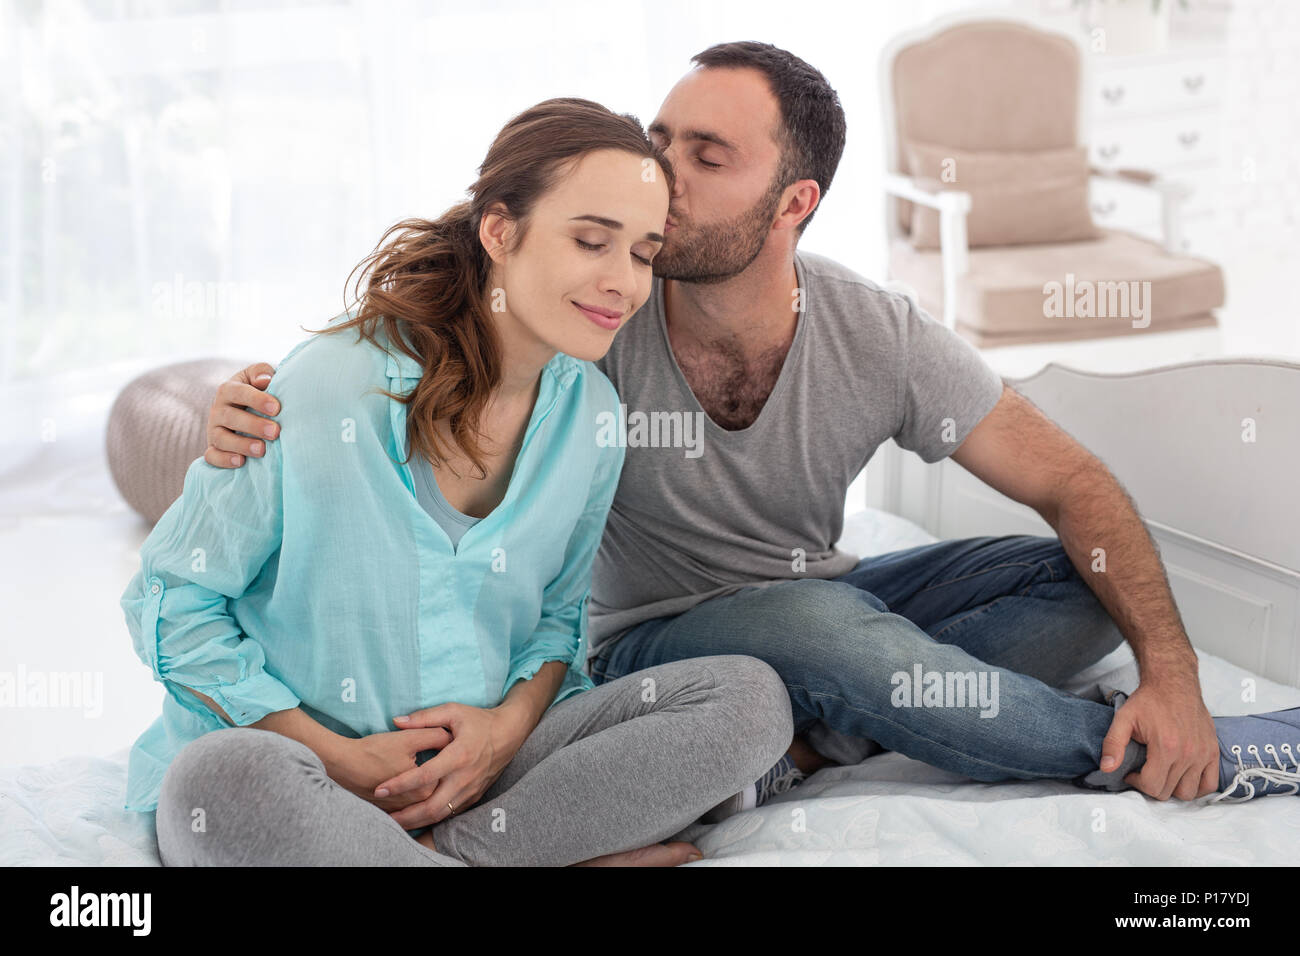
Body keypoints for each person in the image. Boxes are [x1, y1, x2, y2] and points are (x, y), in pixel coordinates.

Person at [203, 44, 1299, 809]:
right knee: (823, 632)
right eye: (659, 139)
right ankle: (1140, 757)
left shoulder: (877, 332)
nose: (658, 176)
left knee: (1073, 576)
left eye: (705, 156)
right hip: (647, 645)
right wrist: (247, 407)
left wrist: (1174, 674)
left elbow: (1076, 483)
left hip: (824, 602)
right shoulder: (593, 307)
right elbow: (434, 322)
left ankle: (820, 732)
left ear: (794, 203)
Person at [120, 96, 794, 868]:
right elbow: (175, 603)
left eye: (642, 253)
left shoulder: (593, 419)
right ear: (501, 231)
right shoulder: (334, 386)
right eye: (590, 242)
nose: (623, 283)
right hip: (305, 773)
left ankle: (453, 854)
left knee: (747, 701)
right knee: (218, 782)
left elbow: (558, 620)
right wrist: (339, 758)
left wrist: (504, 729)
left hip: (486, 779)